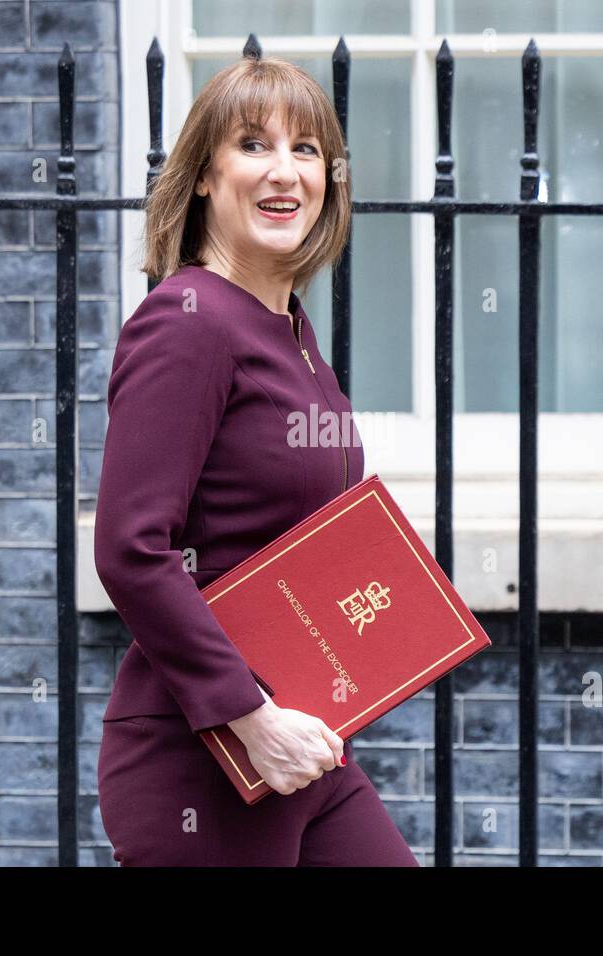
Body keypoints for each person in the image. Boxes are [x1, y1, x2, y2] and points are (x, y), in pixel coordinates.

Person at [94, 52, 418, 867]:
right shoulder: (190, 323)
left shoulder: (292, 335)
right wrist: (248, 718)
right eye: (253, 145)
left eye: (307, 150)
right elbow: (132, 549)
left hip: (303, 742)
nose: (285, 172)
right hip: (206, 759)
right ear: (204, 177)